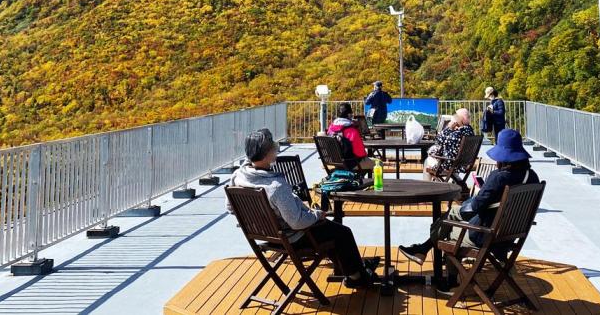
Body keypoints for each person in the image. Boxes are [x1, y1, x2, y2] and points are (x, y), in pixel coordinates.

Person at [230, 128, 379, 288]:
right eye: (274, 147)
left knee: (331, 231)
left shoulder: (239, 176)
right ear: (267, 154)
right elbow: (297, 222)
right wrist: (316, 215)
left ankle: (356, 270)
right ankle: (358, 277)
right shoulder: (275, 187)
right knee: (342, 232)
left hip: (265, 234)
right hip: (292, 237)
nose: (276, 149)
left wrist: (259, 219)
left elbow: (231, 208)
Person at [400, 128, 539, 264]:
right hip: (509, 236)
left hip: (485, 235)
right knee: (451, 216)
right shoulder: (533, 178)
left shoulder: (499, 178)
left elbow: (473, 209)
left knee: (446, 227)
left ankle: (449, 280)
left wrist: (476, 196)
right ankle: (422, 250)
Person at [423, 107, 475, 180]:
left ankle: (428, 185)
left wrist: (449, 128)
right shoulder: (470, 131)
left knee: (427, 161)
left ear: (460, 119)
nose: (454, 117)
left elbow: (439, 141)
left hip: (452, 164)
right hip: (463, 164)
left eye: (456, 116)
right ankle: (458, 180)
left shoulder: (457, 134)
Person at [327, 102, 375, 170]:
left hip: (336, 163)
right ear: (349, 114)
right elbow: (361, 153)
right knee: (379, 164)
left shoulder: (331, 128)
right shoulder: (351, 130)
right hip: (351, 163)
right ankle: (370, 180)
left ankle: (357, 178)